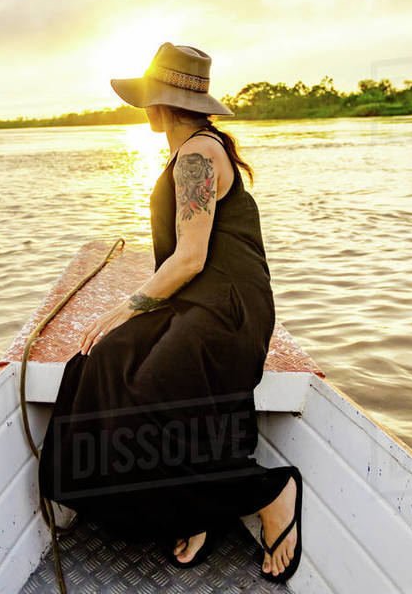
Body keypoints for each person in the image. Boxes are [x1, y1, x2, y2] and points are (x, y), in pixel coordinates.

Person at [36, 42, 303, 581]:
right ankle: (194, 509)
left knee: (148, 392)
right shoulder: (194, 149)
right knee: (101, 364)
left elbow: (190, 257)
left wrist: (122, 308)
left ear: (159, 105)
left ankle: (271, 491)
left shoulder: (199, 155)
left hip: (226, 310)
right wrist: (126, 321)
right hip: (197, 302)